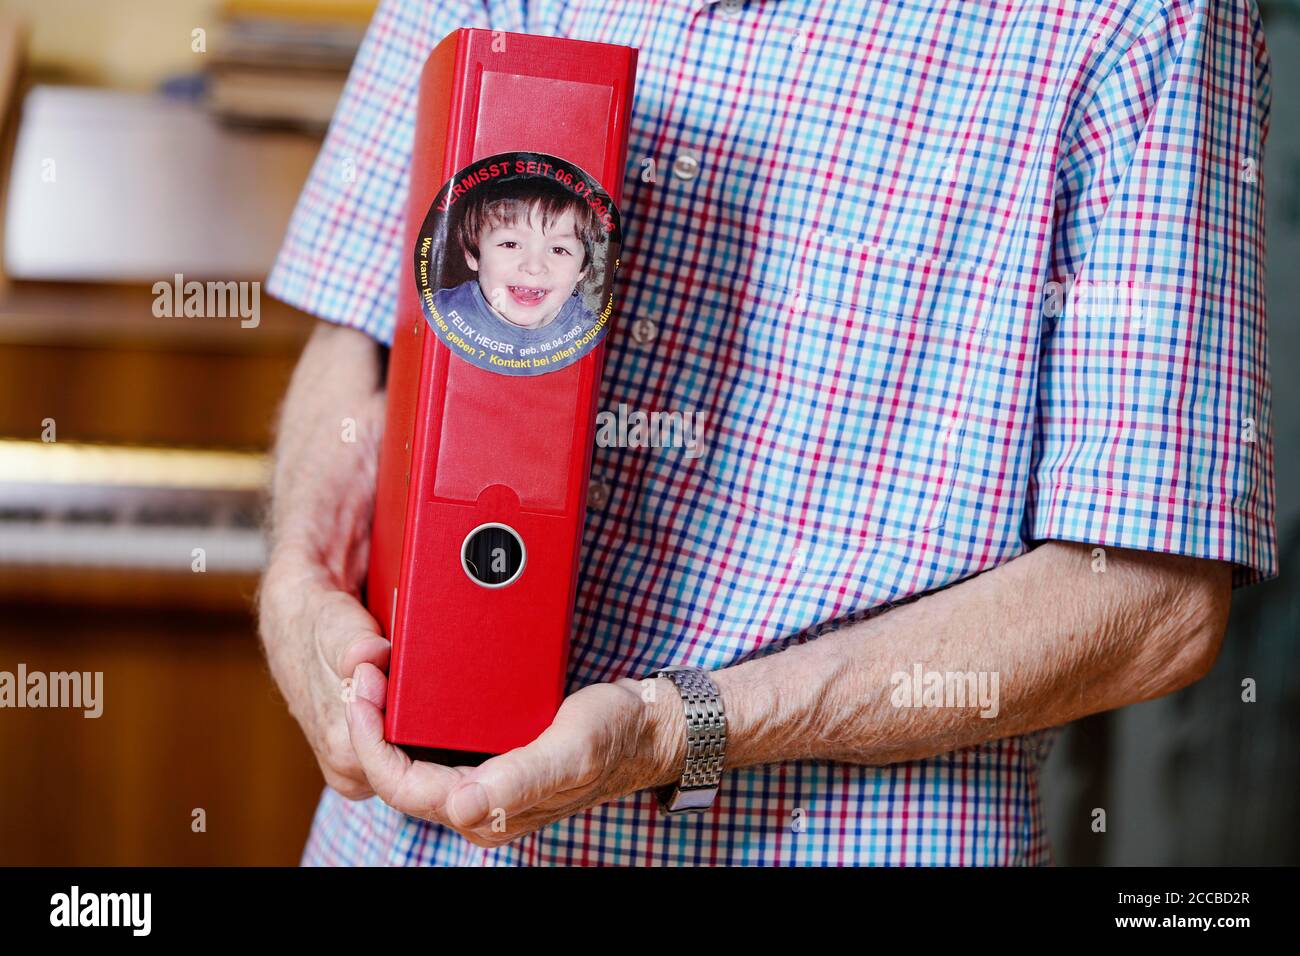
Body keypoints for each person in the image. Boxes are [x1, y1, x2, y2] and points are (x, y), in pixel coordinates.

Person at [258, 0, 1276, 865]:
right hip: (398, 836)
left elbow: (1151, 594)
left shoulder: (1152, 22)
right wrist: (300, 587)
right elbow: (358, 339)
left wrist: (675, 726)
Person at [434, 173, 602, 334]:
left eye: (558, 250)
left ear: (583, 268)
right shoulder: (440, 314)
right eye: (510, 244)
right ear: (472, 254)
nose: (534, 267)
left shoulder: (588, 332)